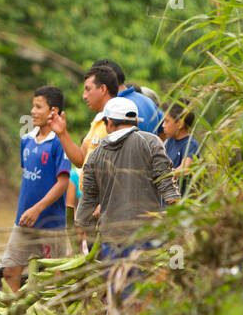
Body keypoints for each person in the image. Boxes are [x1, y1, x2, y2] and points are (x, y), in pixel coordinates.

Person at [74, 96, 180, 263]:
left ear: (108, 122)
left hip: (112, 240)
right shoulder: (151, 142)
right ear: (136, 122)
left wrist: (79, 230)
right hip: (148, 238)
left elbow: (87, 201)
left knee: (118, 287)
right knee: (144, 286)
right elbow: (170, 191)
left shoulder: (95, 156)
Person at [1, 85, 72, 291]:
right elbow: (29, 175)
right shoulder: (27, 140)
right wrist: (28, 209)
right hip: (23, 222)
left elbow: (63, 183)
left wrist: (38, 208)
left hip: (51, 226)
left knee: (52, 279)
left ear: (53, 111)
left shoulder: (60, 142)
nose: (32, 111)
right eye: (33, 106)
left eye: (38, 107)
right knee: (9, 271)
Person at [59, 64, 119, 245]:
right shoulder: (98, 121)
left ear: (103, 89)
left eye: (88, 89)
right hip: (91, 204)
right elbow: (79, 159)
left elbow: (122, 166)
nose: (84, 96)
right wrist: (62, 133)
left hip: (106, 207)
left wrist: (106, 203)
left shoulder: (116, 121)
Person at [89, 58, 163, 135]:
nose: (85, 96)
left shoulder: (116, 107)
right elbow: (163, 129)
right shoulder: (147, 100)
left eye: (90, 87)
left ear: (103, 86)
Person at [161, 101, 202, 181]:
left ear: (180, 124)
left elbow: (184, 169)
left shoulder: (190, 144)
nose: (163, 125)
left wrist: (164, 175)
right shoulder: (169, 141)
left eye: (167, 121)